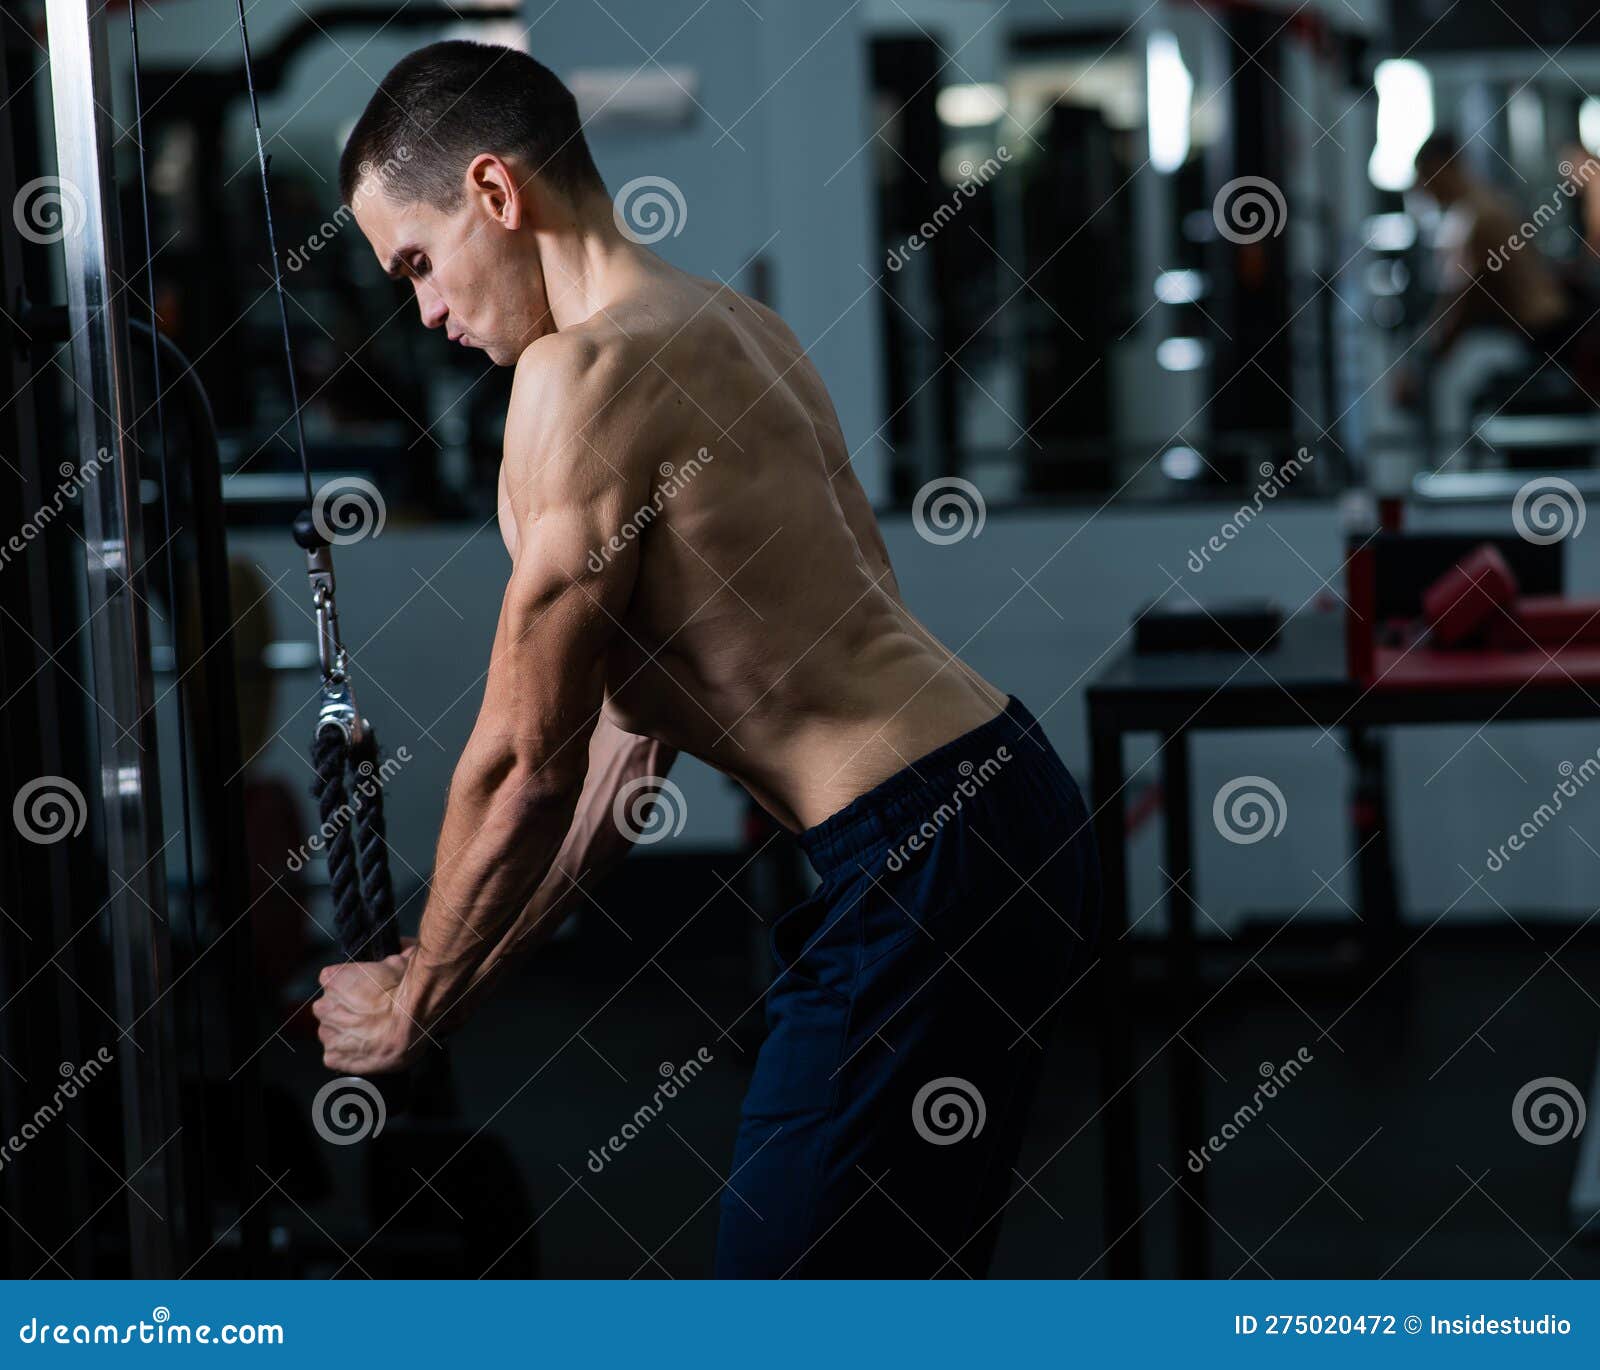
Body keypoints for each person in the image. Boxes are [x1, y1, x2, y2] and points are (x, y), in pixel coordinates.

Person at [311, 40, 1099, 1278]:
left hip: (915, 856)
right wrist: (448, 974)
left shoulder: (578, 379)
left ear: (494, 193)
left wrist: (414, 1002)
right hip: (998, 804)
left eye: (418, 260)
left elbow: (526, 761)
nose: (425, 311)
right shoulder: (737, 324)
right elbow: (625, 759)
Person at [1394, 130, 1577, 410]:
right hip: (1537, 331)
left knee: (1465, 386)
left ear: (1448, 166)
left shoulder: (1479, 217)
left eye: (1429, 176)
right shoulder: (1481, 207)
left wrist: (1422, 364)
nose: (1426, 189)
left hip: (1542, 335)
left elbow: (1461, 301)